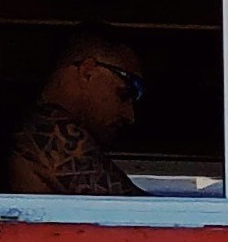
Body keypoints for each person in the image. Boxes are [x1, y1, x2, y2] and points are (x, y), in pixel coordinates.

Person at [9, 31, 146, 196]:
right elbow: (141, 213)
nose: (130, 116)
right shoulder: (48, 130)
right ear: (87, 73)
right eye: (125, 93)